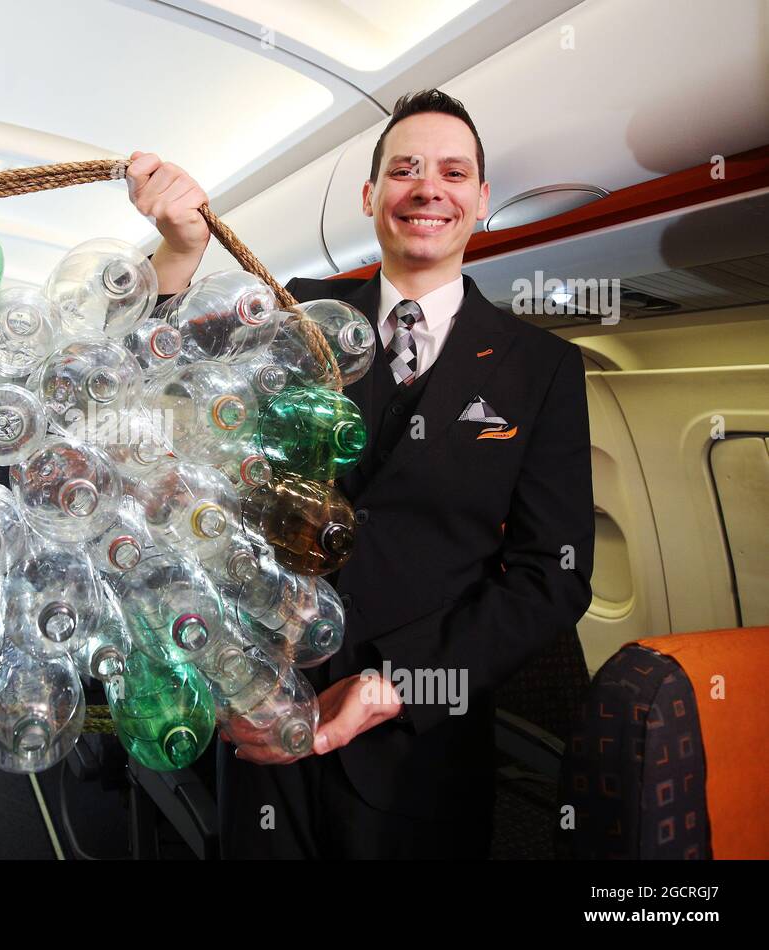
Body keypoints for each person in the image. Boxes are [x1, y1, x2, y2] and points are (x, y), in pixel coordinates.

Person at [125, 89, 595, 859]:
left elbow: (553, 576)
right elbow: (159, 379)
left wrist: (398, 687)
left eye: (452, 171)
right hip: (262, 713)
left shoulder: (541, 368)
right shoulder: (294, 315)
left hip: (418, 747)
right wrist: (178, 251)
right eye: (404, 169)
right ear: (371, 196)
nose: (427, 188)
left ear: (480, 198)